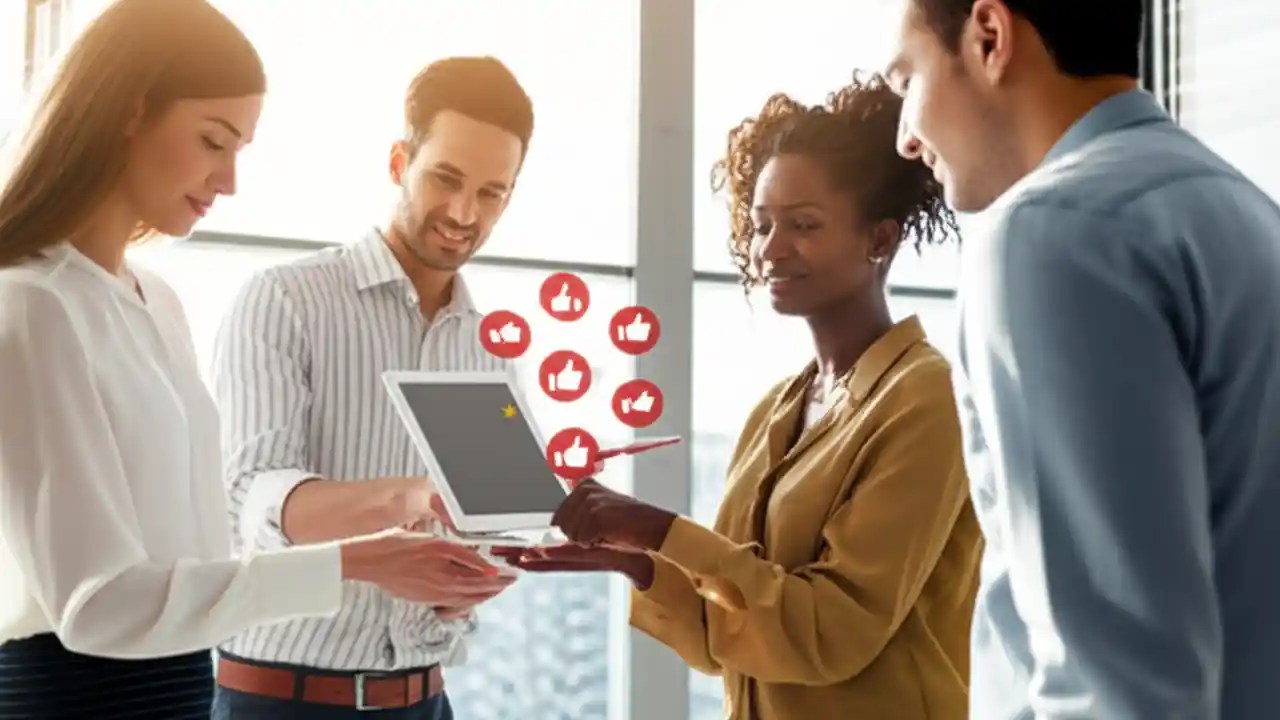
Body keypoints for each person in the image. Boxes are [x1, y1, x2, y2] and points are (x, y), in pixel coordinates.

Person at [0, 2, 500, 719]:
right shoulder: (32, 305)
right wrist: (357, 560)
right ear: (128, 112)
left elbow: (201, 570)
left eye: (239, 149)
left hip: (185, 692)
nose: (229, 180)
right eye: (212, 141)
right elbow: (97, 606)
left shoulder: (157, 302)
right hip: (71, 701)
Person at [499, 73, 983, 719]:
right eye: (761, 226)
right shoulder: (777, 410)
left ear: (881, 239)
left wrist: (661, 528)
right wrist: (639, 561)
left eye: (803, 224)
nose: (771, 249)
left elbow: (830, 632)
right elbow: (728, 639)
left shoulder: (925, 398)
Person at [884, 1, 1280, 718]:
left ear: (989, 37)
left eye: (908, 80)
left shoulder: (1049, 233)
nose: (906, 139)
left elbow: (1112, 687)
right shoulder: (1244, 211)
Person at [208, 56, 534, 719]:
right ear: (398, 162)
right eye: (446, 178)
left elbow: (492, 533)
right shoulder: (285, 300)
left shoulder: (490, 347)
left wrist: (480, 575)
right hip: (281, 702)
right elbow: (250, 498)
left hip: (425, 698)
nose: (463, 212)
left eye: (491, 193)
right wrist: (409, 498)